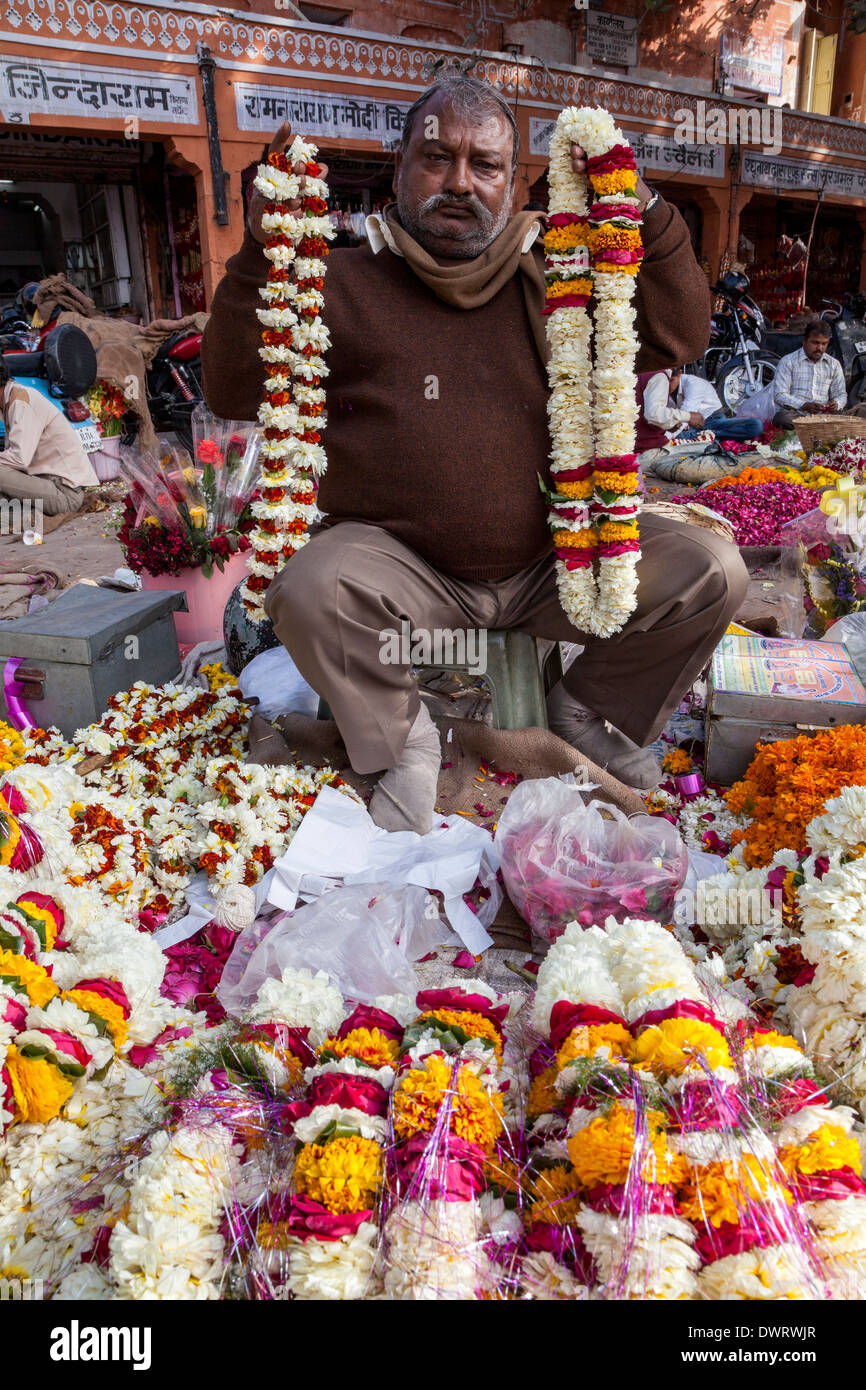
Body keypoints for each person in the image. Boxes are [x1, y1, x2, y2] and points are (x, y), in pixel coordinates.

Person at [202, 72, 748, 829]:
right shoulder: (337, 277)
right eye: (437, 158)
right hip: (402, 575)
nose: (460, 181)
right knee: (307, 588)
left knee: (712, 572)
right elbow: (233, 390)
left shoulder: (559, 273)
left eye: (484, 164)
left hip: (554, 566)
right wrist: (259, 255)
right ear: (398, 169)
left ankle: (589, 712)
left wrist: (642, 207)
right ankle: (402, 742)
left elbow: (680, 334)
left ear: (515, 183)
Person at [0, 359, 97, 515]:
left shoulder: (20, 401)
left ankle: (19, 520)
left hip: (64, 495)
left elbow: (19, 459)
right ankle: (16, 519)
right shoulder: (8, 401)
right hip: (46, 486)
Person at [772, 319, 846, 430]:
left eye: (824, 344)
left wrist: (836, 403)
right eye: (815, 343)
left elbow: (841, 394)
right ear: (804, 341)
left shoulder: (834, 364)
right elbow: (779, 395)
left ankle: (814, 427)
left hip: (823, 416)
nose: (819, 348)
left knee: (855, 413)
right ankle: (816, 428)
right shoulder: (788, 361)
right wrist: (804, 405)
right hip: (797, 415)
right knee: (782, 418)